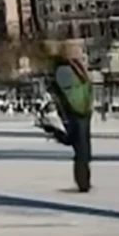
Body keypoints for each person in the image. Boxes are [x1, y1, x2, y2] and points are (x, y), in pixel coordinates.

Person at [43, 53, 93, 192]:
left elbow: (78, 90)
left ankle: (83, 182)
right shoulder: (69, 72)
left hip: (78, 111)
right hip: (80, 111)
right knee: (82, 148)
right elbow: (81, 89)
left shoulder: (66, 72)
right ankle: (83, 182)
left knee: (79, 146)